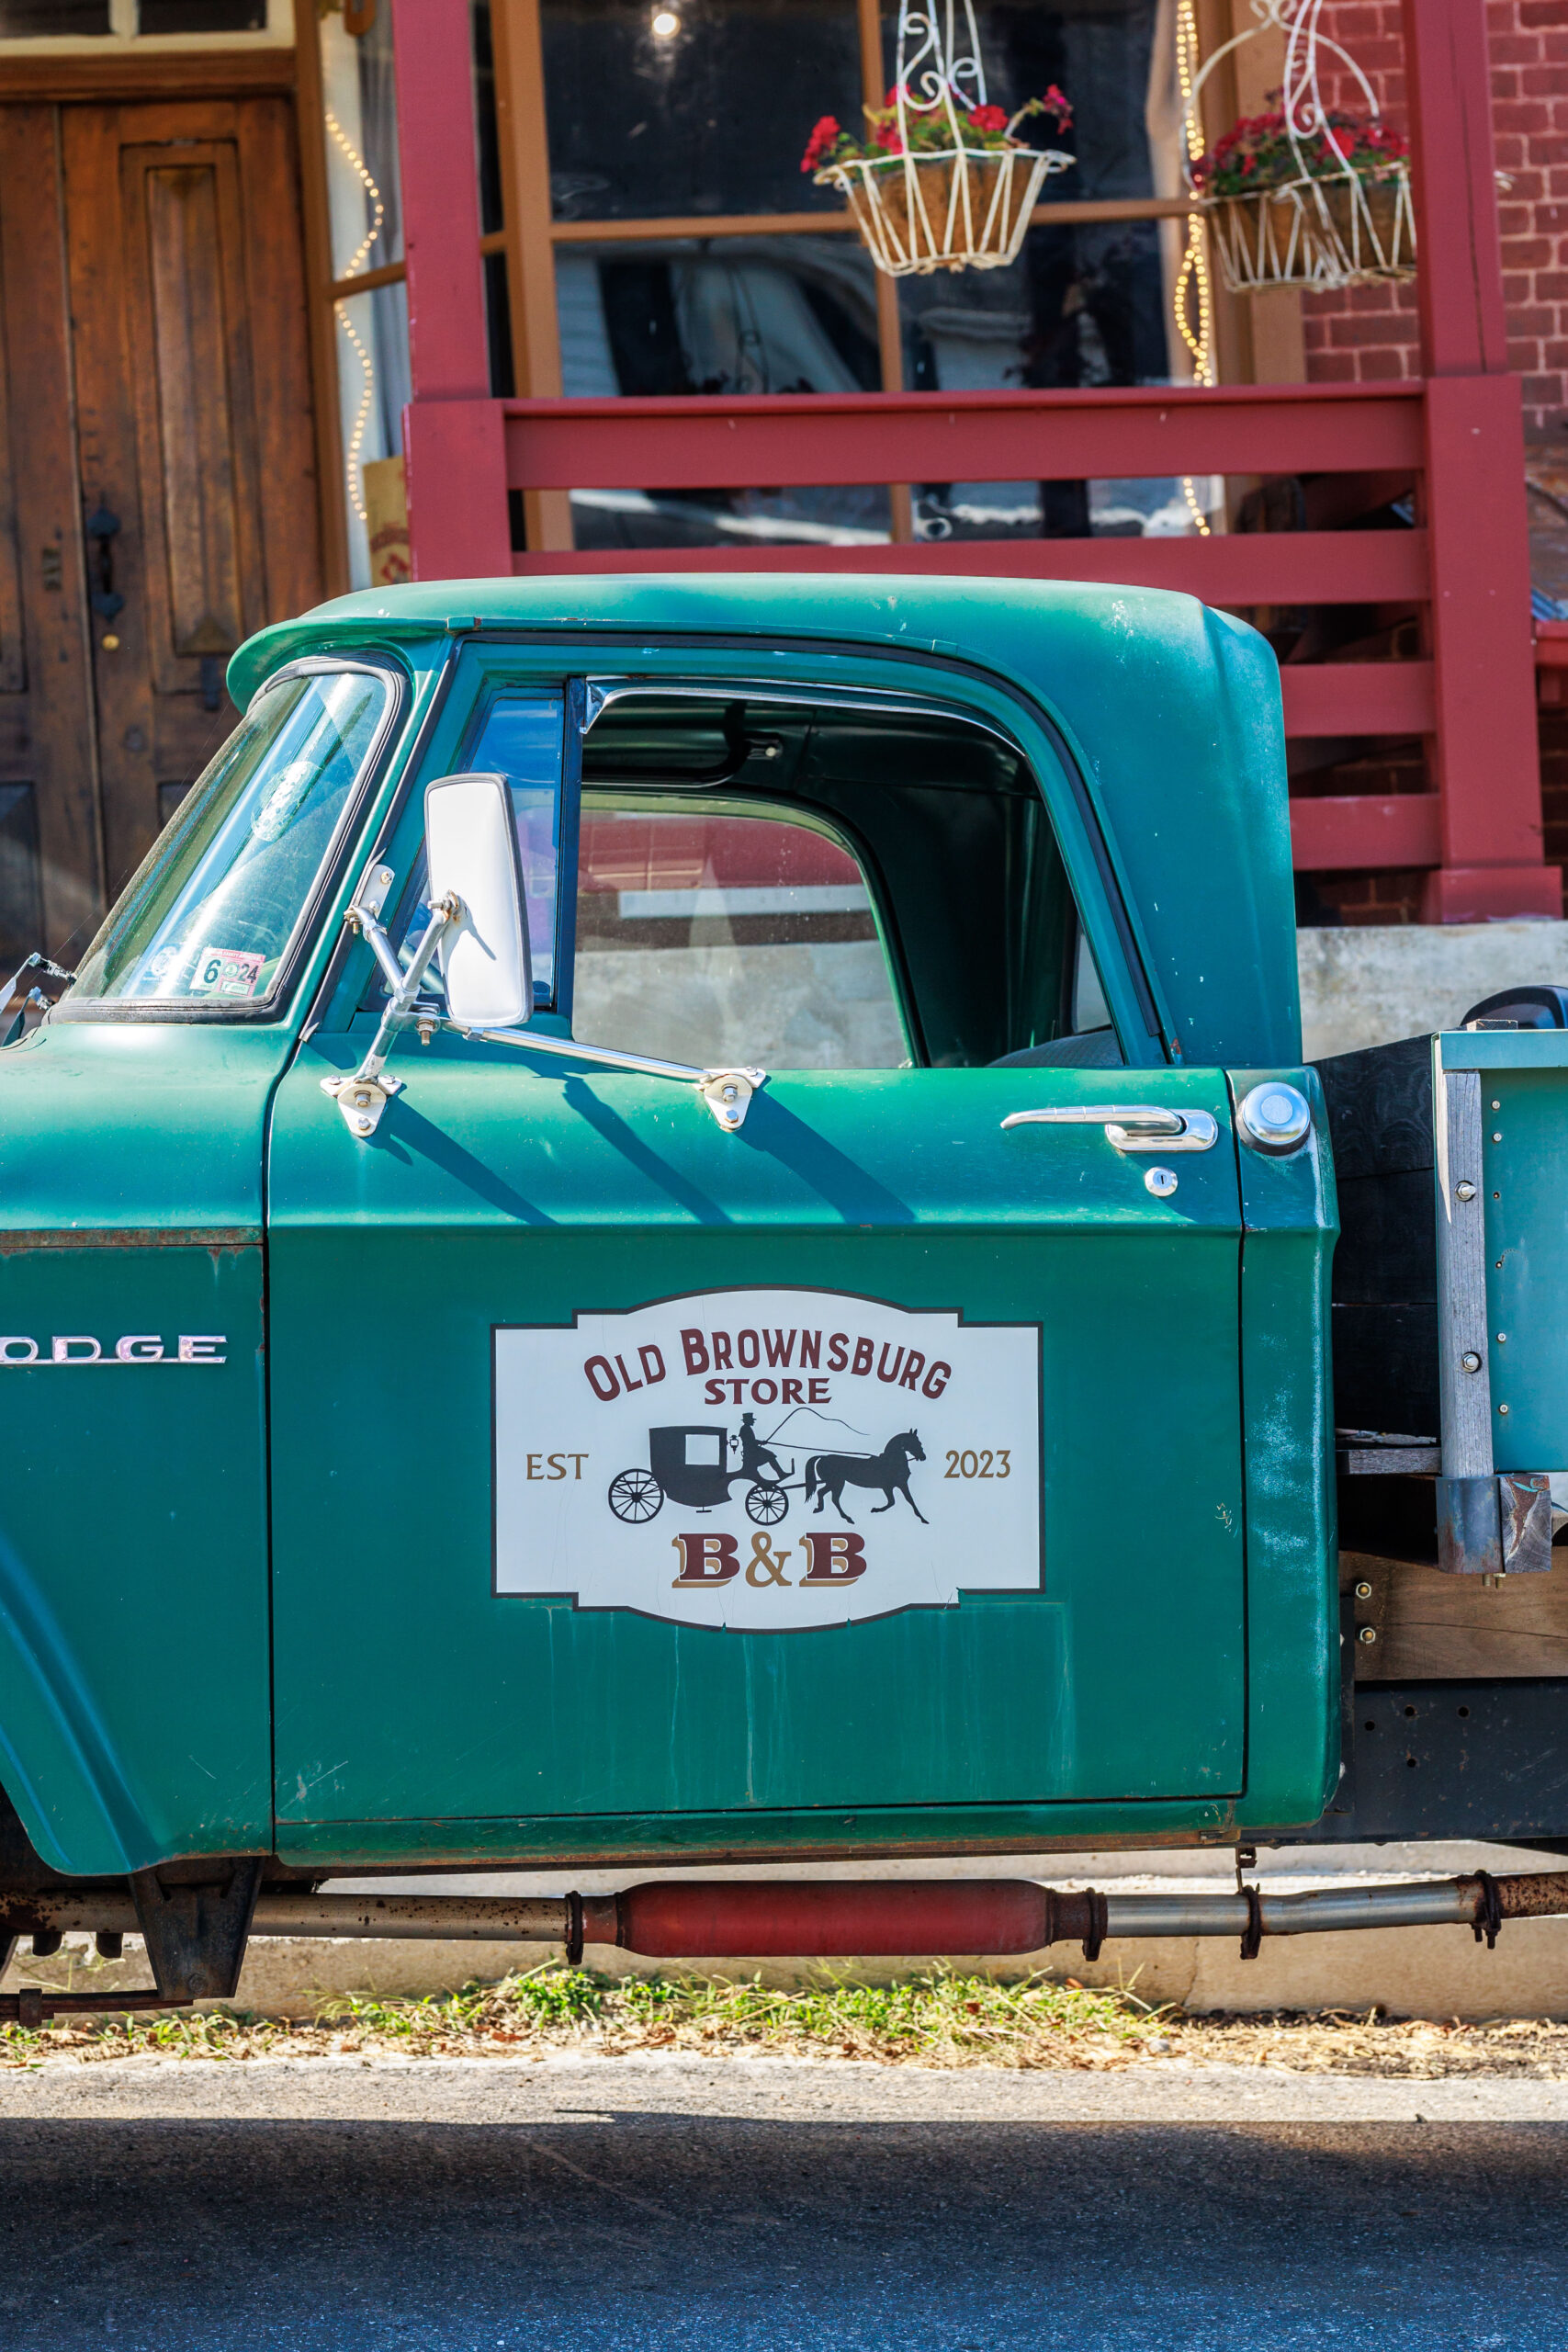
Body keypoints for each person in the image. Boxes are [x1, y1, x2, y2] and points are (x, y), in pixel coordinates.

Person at [733, 1411, 784, 1484]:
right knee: (771, 1455)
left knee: (771, 1455)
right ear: (748, 1421)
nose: (753, 1422)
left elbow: (751, 1440)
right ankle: (781, 1474)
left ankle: (781, 1474)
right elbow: (750, 1441)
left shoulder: (746, 1428)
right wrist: (761, 1442)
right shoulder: (745, 1429)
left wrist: (761, 1442)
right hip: (751, 1452)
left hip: (752, 1450)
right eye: (752, 1420)